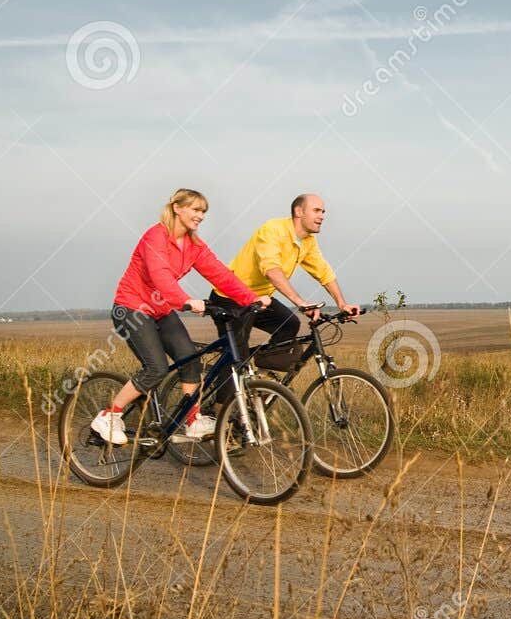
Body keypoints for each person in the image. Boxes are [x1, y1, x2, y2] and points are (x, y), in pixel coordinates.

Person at [92, 188, 269, 447]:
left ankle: (192, 420)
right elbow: (159, 276)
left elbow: (220, 275)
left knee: (190, 361)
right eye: (196, 210)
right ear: (177, 208)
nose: (201, 216)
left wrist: (249, 298)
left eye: (204, 212)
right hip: (131, 308)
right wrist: (184, 300)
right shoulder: (156, 236)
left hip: (161, 310)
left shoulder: (194, 245)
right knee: (156, 367)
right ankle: (109, 416)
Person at [216, 193, 361, 354]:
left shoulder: (308, 240)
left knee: (289, 325)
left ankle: (263, 375)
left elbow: (324, 272)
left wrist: (342, 304)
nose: (322, 216)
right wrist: (300, 302)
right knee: (237, 357)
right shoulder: (272, 229)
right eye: (317, 210)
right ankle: (232, 375)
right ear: (299, 211)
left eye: (323, 212)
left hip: (259, 298)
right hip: (230, 297)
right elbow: (272, 270)